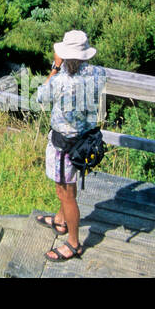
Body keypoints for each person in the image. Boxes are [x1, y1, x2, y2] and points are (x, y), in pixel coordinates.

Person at [33, 29, 106, 262]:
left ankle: (74, 243)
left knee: (65, 193)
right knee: (67, 189)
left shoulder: (61, 80)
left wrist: (55, 67)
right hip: (84, 141)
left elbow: (40, 97)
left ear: (64, 55)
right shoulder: (97, 73)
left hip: (64, 144)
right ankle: (60, 220)